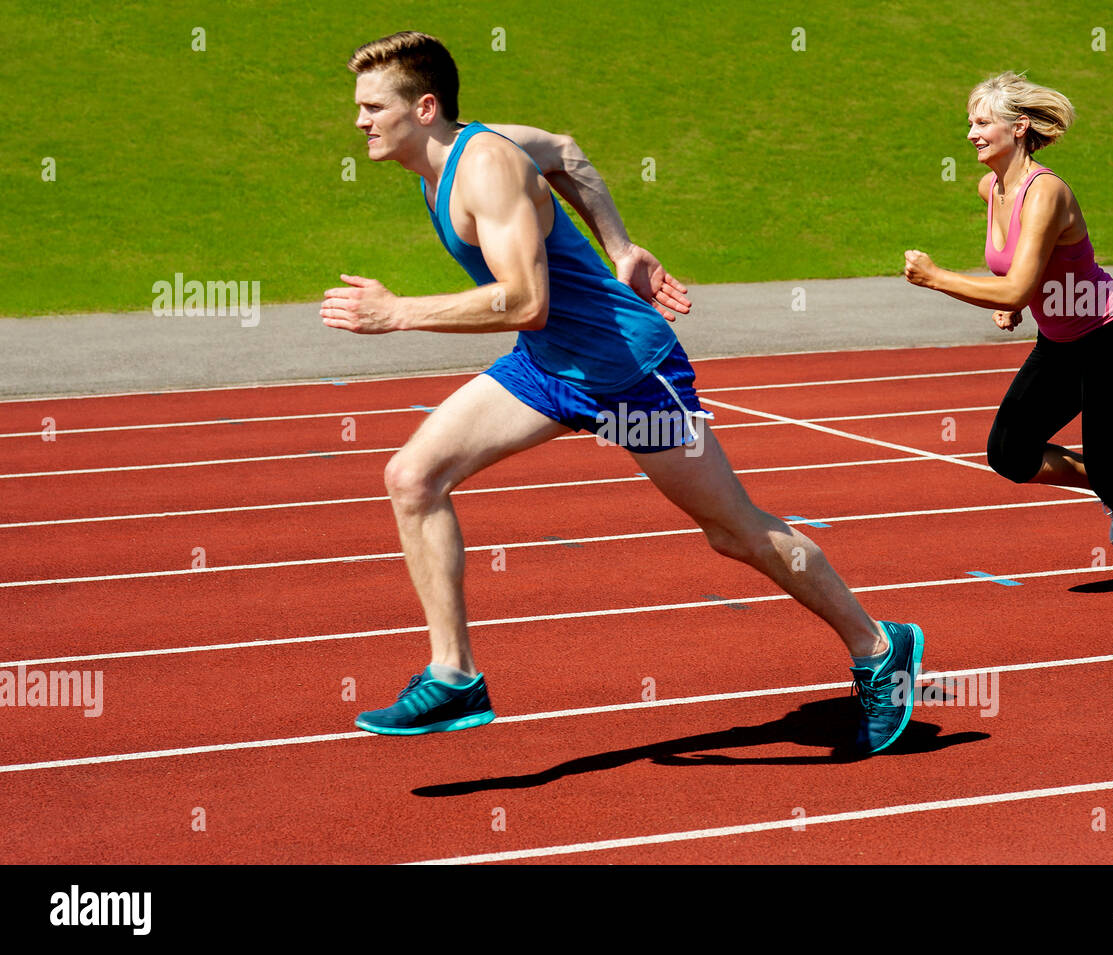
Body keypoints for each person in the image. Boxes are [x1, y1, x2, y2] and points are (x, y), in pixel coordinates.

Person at [321, 31, 924, 753]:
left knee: (732, 531)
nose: (359, 120)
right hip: (550, 368)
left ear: (423, 107)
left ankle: (876, 644)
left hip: (628, 376)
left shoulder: (485, 168)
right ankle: (455, 675)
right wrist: (620, 247)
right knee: (412, 477)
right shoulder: (453, 152)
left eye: (371, 106)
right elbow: (568, 150)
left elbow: (524, 301)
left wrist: (399, 313)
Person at [902, 71, 1113, 599]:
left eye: (982, 122)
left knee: (1110, 479)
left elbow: (1014, 286)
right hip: (1060, 341)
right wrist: (1022, 302)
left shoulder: (1045, 191)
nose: (971, 134)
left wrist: (938, 278)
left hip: (1111, 339)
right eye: (970, 123)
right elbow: (1022, 277)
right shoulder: (992, 186)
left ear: (1019, 126)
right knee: (1010, 454)